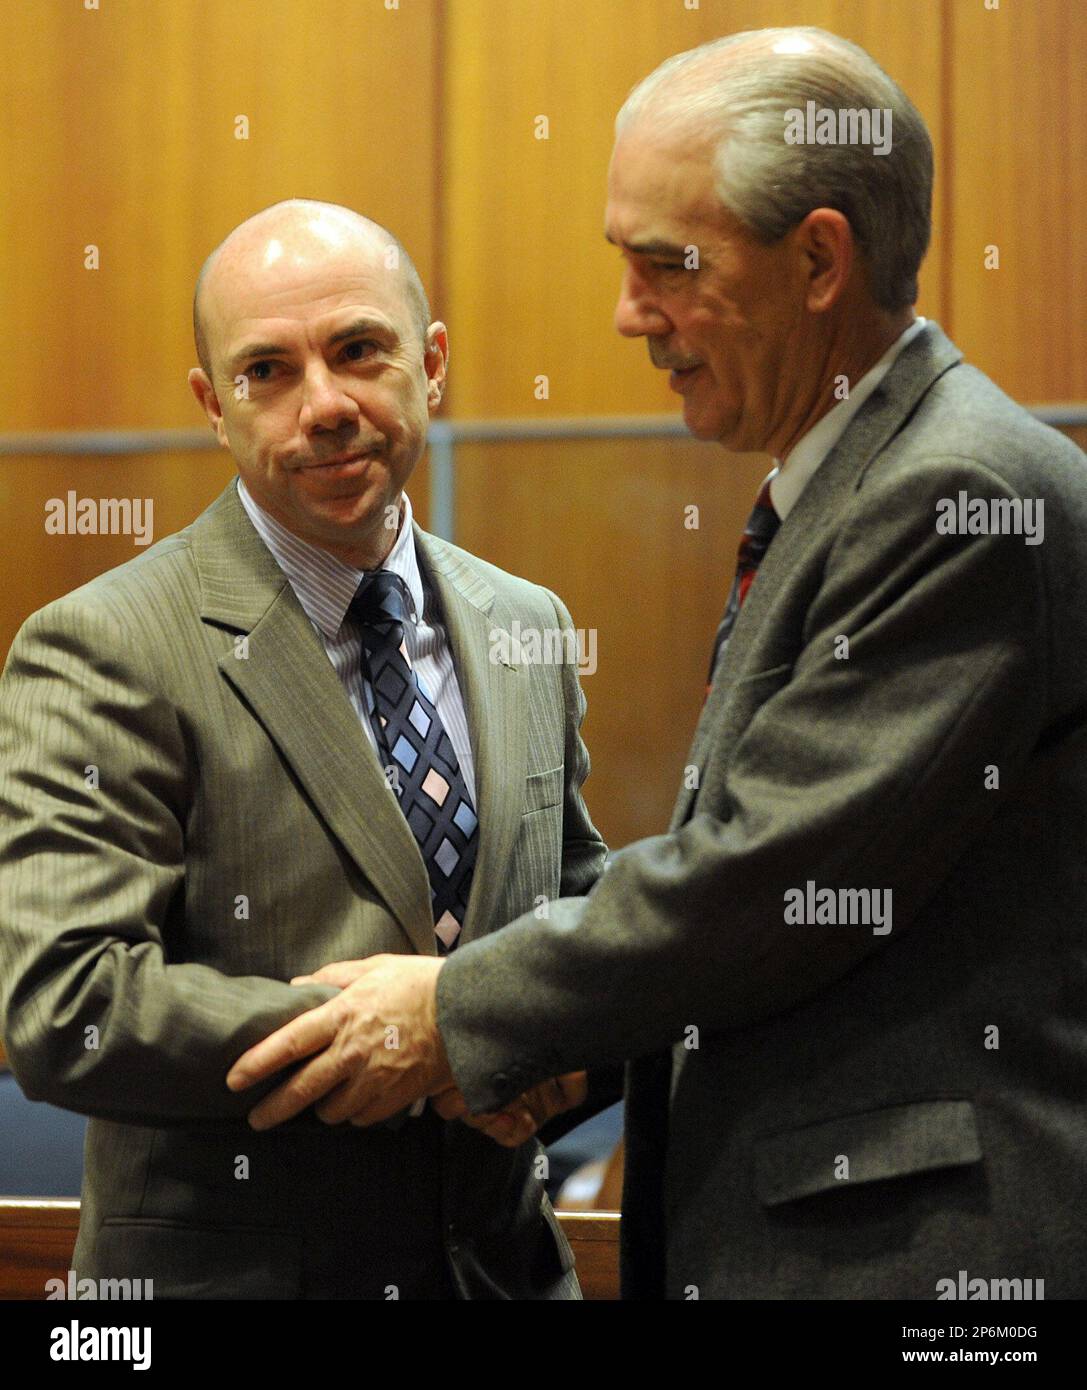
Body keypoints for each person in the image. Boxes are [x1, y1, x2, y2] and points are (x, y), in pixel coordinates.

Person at [228, 30, 1087, 1301]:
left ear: (816, 259)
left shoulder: (952, 494)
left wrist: (455, 1007)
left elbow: (768, 877)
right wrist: (580, 1043)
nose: (629, 313)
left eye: (666, 265)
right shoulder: (863, 482)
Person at [0, 199, 612, 1299]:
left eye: (358, 351)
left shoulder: (527, 621)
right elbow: (66, 1000)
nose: (323, 405)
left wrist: (530, 1037)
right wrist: (433, 1037)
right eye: (267, 372)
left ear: (430, 366)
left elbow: (578, 910)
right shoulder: (106, 644)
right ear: (212, 406)